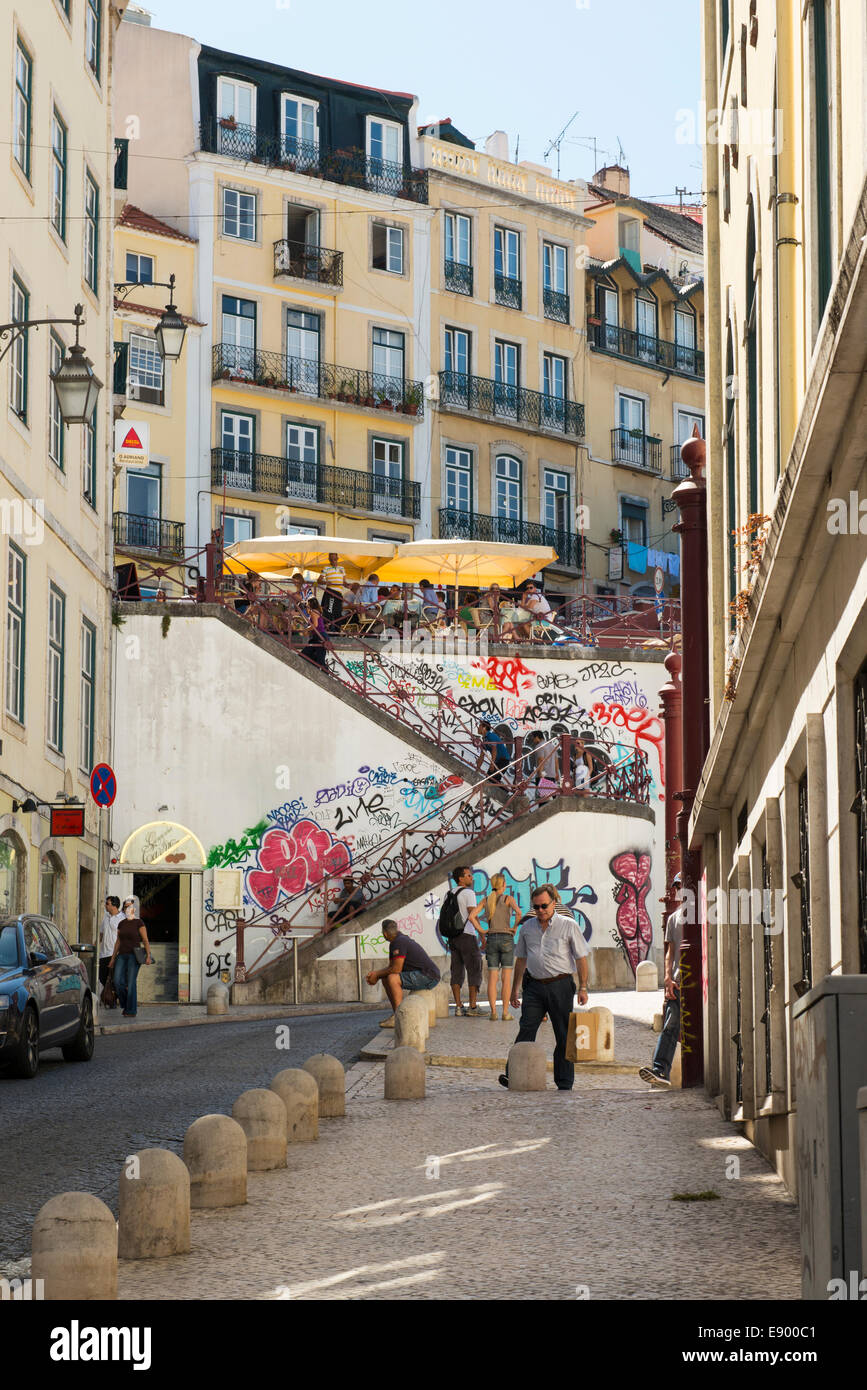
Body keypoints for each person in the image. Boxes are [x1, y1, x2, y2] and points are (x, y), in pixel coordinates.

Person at [499, 883, 589, 1092]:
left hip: (561, 985)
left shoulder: (568, 925)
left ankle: (564, 1082)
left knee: (563, 1034)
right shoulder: (527, 927)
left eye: (544, 906)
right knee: (527, 1028)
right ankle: (513, 1073)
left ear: (554, 903)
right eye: (536, 907)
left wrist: (583, 987)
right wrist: (515, 989)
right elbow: (521, 959)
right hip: (534, 987)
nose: (540, 911)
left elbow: (581, 958)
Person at [639, 877, 685, 1089]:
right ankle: (660, 1070)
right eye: (677, 886)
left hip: (701, 984)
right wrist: (667, 977)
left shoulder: (705, 916)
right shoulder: (674, 919)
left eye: (683, 884)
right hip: (678, 982)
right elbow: (670, 951)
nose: (680, 889)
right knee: (671, 1025)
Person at [366, 918, 440, 1026]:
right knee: (386, 978)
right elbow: (391, 967)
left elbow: (396, 969)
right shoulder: (396, 941)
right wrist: (377, 975)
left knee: (392, 978)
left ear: (385, 933)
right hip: (424, 975)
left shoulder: (399, 942)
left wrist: (376, 974)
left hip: (429, 976)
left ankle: (400, 1017)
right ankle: (396, 1014)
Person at [480, 874, 519, 1021]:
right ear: (503, 885)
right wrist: (514, 927)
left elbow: (472, 916)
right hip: (507, 939)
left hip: (491, 939)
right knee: (506, 979)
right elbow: (519, 913)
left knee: (493, 978)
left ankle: (493, 1012)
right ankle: (505, 1012)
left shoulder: (486, 900)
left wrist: (482, 930)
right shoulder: (508, 899)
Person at [108, 898, 152, 1019]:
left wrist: (148, 955)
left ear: (134, 909)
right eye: (126, 907)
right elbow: (118, 942)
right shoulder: (121, 924)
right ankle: (127, 1004)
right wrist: (112, 959)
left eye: (130, 907)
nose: (128, 909)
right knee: (117, 981)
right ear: (123, 909)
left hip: (134, 955)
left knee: (131, 983)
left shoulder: (139, 923)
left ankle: (131, 1010)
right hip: (121, 955)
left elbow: (145, 940)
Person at [448, 865, 484, 1016]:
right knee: (474, 969)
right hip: (467, 935)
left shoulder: (449, 893)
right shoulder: (468, 892)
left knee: (456, 971)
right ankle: (473, 1007)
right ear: (460, 878)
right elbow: (472, 914)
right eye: (468, 875)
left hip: (453, 937)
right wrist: (482, 933)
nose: (472, 878)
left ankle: (458, 1006)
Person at [99, 895, 123, 999]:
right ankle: (111, 996)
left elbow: (122, 937)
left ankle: (114, 998)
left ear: (114, 906)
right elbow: (101, 934)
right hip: (103, 953)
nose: (105, 905)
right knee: (102, 977)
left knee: (115, 979)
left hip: (115, 954)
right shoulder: (105, 917)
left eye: (107, 904)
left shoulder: (122, 919)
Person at [319, 552, 346, 629]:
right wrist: (325, 582)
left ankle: (337, 631)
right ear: (329, 560)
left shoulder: (342, 569)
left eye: (334, 559)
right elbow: (319, 580)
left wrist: (349, 585)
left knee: (338, 612)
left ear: (337, 559)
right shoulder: (326, 568)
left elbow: (344, 582)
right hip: (330, 592)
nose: (333, 560)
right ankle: (328, 629)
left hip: (338, 593)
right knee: (329, 612)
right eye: (331, 559)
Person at [300, 597, 328, 668]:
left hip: (319, 637)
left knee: (319, 660)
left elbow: (315, 625)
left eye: (307, 604)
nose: (306, 606)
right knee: (315, 658)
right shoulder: (316, 611)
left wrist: (306, 630)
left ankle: (325, 673)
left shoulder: (313, 612)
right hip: (318, 637)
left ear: (310, 604)